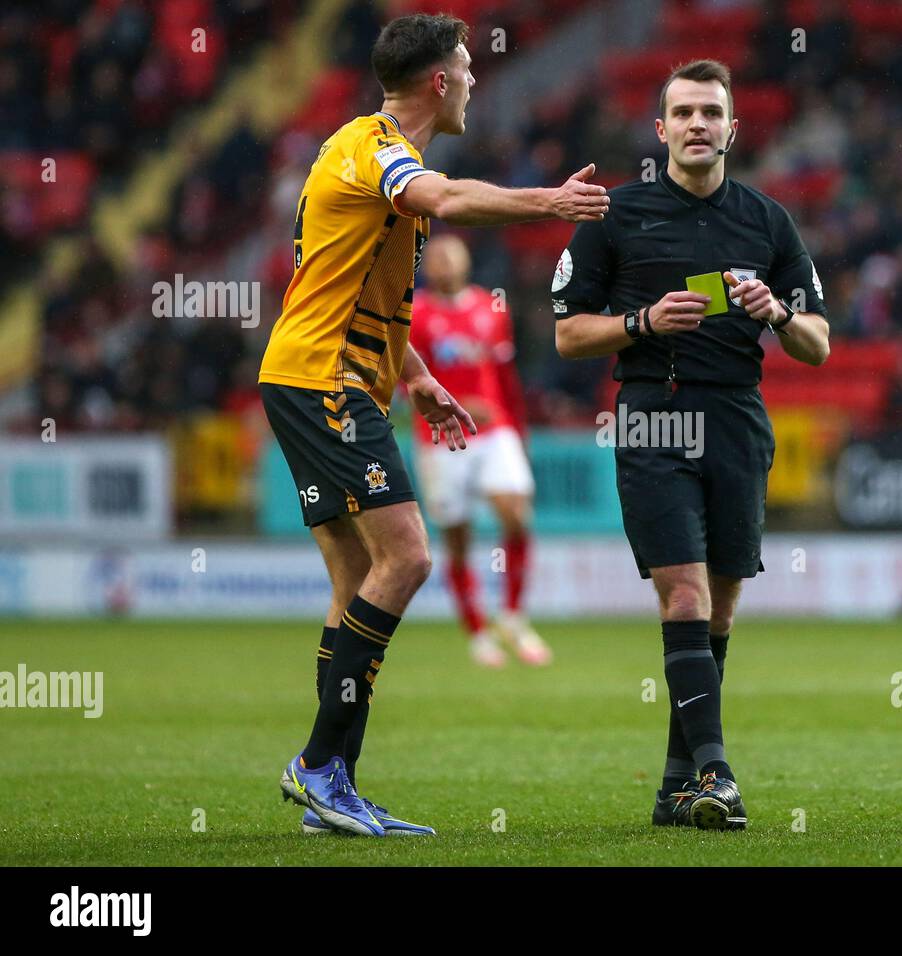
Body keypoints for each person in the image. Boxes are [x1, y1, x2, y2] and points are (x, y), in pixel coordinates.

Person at [258, 12, 608, 836]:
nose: (478, 80)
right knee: (408, 556)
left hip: (321, 376)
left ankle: (329, 785)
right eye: (468, 66)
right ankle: (316, 767)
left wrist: (416, 377)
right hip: (324, 381)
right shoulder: (373, 149)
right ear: (439, 81)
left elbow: (358, 287)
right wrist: (549, 202)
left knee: (355, 581)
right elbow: (446, 197)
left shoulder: (376, 163)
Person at [552, 59, 830, 830]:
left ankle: (677, 785)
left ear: (733, 128)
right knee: (684, 592)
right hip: (653, 416)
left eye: (712, 112)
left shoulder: (769, 222)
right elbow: (568, 333)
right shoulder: (616, 215)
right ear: (661, 129)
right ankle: (717, 773)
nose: (699, 124)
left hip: (738, 417)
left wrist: (775, 311)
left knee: (722, 608)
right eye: (685, 113)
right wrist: (640, 324)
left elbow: (818, 345)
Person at [409, 234, 551, 668]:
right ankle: (477, 632)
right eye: (436, 257)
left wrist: (518, 427)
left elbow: (505, 374)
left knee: (517, 517)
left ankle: (512, 616)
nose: (445, 263)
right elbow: (404, 379)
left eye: (453, 255)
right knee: (458, 537)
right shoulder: (413, 314)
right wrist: (449, 400)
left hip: (495, 431)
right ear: (425, 266)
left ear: (468, 261)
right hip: (442, 436)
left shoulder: (492, 307)